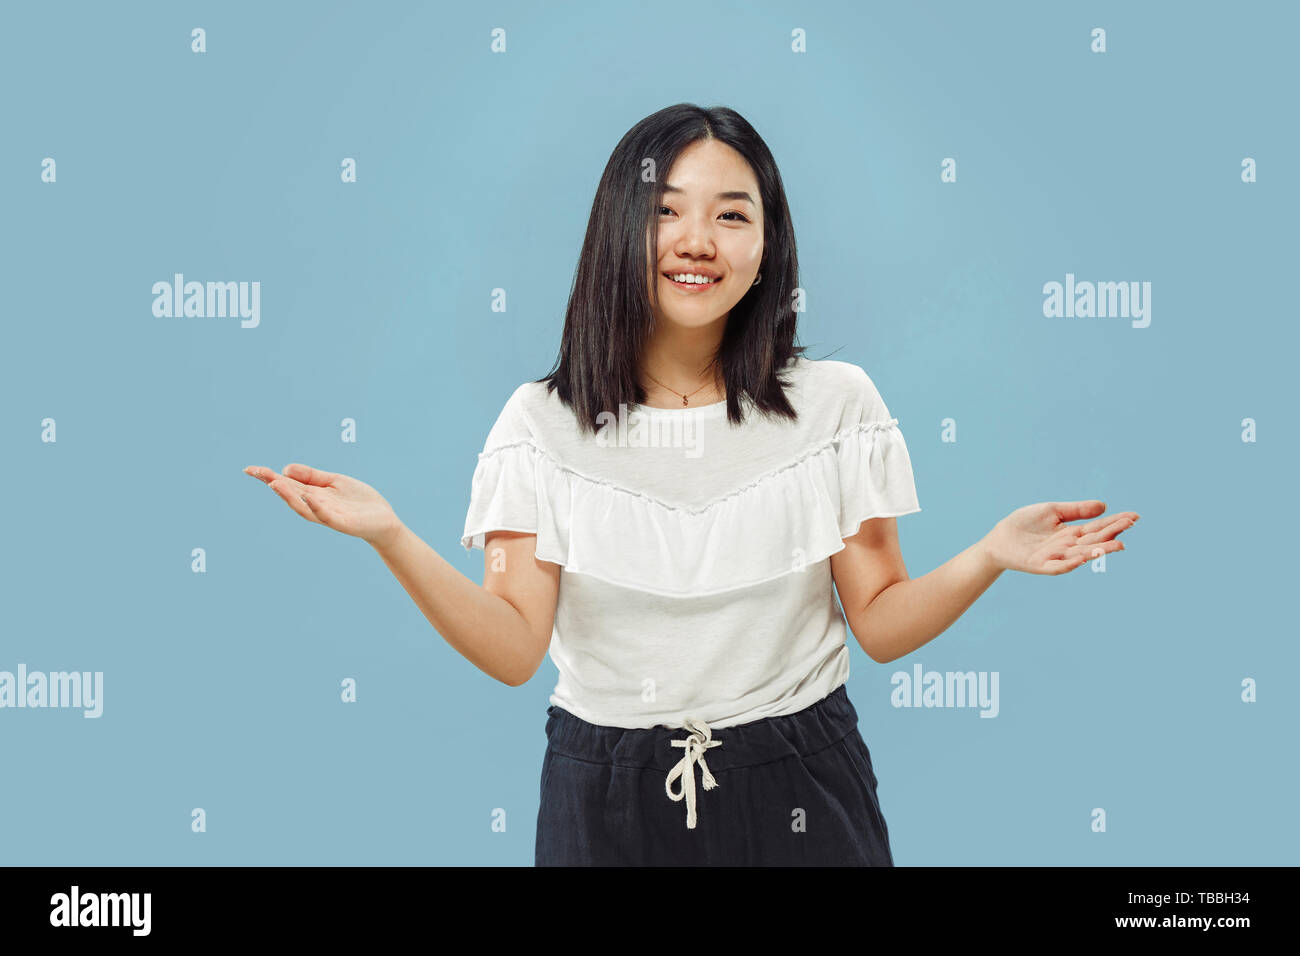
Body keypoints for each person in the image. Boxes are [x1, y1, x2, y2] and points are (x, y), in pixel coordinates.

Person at [243, 104, 1138, 867]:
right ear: (618, 228)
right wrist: (391, 535)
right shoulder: (539, 424)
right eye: (667, 211)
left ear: (767, 243)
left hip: (800, 779)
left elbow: (881, 621)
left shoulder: (835, 405)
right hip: (605, 796)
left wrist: (990, 555)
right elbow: (517, 648)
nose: (697, 242)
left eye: (732, 215)